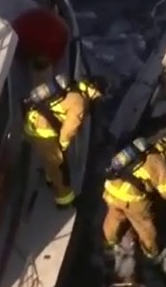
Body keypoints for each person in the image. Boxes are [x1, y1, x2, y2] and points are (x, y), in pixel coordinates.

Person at [23, 74, 106, 207]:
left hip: (36, 123)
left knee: (50, 160)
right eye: (98, 94)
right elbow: (70, 128)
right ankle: (64, 199)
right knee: (59, 166)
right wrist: (63, 143)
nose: (97, 97)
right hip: (44, 132)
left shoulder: (75, 87)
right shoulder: (80, 102)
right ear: (93, 89)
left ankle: (50, 178)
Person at [102, 135, 166, 257]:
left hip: (112, 189)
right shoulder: (159, 162)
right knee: (144, 225)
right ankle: (151, 250)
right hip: (131, 199)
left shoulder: (139, 151)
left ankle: (110, 240)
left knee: (114, 215)